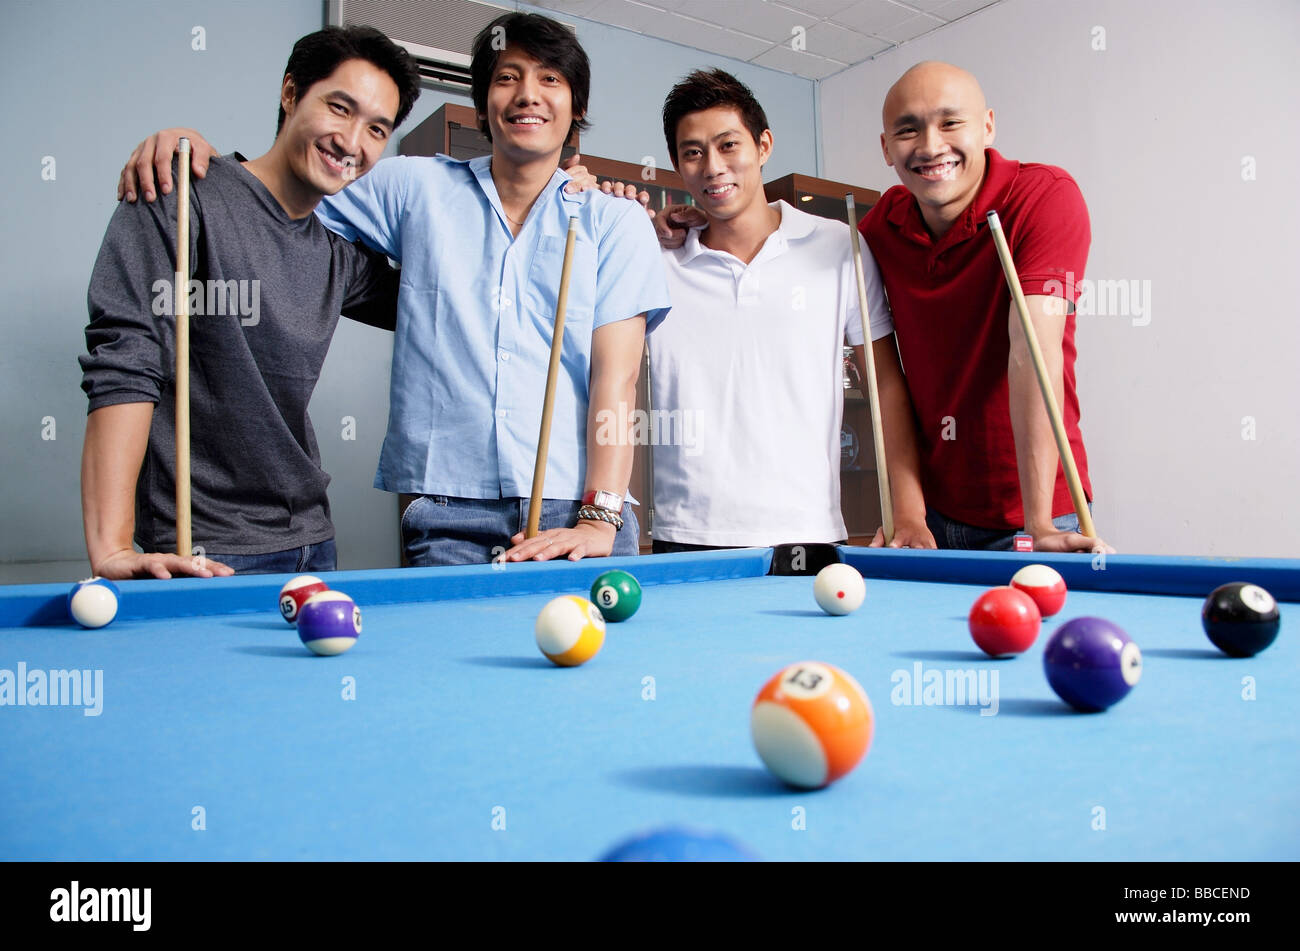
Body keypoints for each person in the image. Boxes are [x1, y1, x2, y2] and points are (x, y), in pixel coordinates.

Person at [120, 12, 671, 568]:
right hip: (447, 512)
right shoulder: (413, 186)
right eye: (508, 77)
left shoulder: (613, 220)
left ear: (576, 108)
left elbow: (617, 381)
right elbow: (287, 182)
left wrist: (600, 516)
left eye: (550, 79)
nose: (528, 94)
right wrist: (202, 159)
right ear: (482, 105)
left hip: (574, 508)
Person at [81, 25, 421, 580]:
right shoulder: (184, 193)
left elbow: (452, 300)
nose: (352, 141)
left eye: (376, 129)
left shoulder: (340, 257)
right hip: (202, 548)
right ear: (291, 93)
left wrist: (570, 197)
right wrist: (113, 547)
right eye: (339, 108)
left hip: (313, 541)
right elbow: (124, 358)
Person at [643, 69, 933, 554]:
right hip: (687, 533)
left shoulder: (839, 246)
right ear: (678, 165)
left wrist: (907, 511)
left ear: (764, 145)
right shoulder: (655, 261)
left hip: (809, 531)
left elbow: (883, 384)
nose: (713, 166)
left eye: (728, 145)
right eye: (693, 152)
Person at [861, 61, 1111, 553]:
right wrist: (697, 225)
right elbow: (883, 377)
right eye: (908, 129)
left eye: (951, 122)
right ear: (886, 147)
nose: (931, 146)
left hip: (1037, 511)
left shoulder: (1044, 196)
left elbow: (1031, 353)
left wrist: (1039, 524)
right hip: (933, 515)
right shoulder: (879, 228)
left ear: (988, 126)